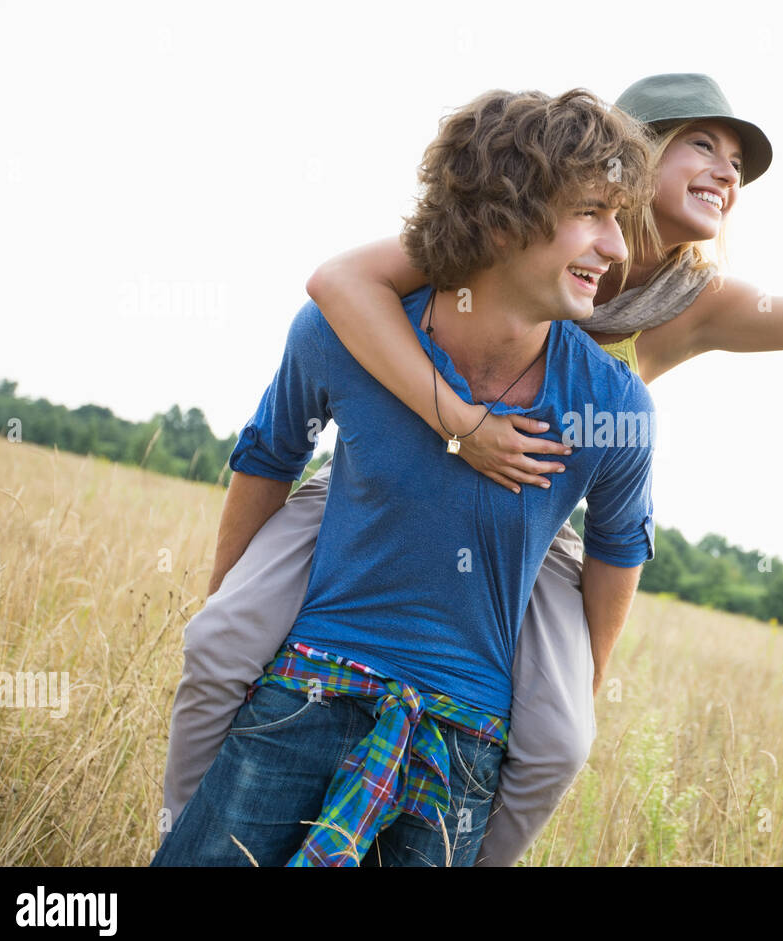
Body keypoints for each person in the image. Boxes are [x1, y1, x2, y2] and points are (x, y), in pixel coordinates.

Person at [162, 72, 783, 866]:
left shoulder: (689, 302)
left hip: (538, 538)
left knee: (557, 737)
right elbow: (342, 286)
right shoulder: (511, 230)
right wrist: (461, 421)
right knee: (226, 635)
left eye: (739, 161)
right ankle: (186, 821)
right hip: (384, 482)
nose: (727, 170)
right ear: (626, 150)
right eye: (702, 141)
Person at [151, 87, 658, 866]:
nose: (615, 249)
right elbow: (269, 458)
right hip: (300, 697)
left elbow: (617, 555)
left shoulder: (613, 405)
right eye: (592, 213)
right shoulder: (339, 331)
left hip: (463, 747)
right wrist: (231, 623)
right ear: (502, 217)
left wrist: (561, 713)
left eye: (616, 220)